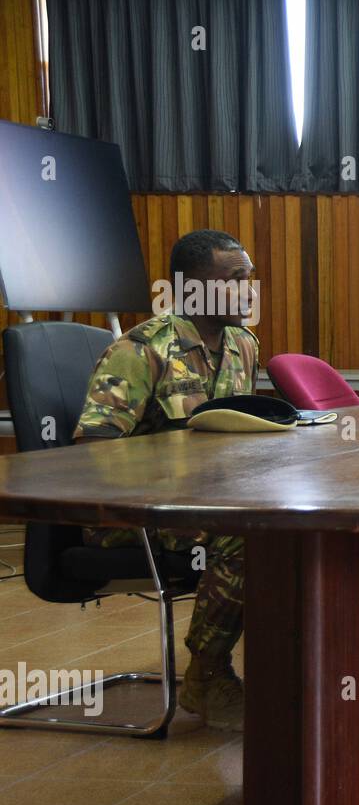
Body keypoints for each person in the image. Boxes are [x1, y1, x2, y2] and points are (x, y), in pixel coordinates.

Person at [74, 229, 259, 731]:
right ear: (194, 287)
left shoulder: (243, 346)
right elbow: (91, 454)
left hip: (210, 505)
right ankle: (208, 673)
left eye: (251, 279)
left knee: (306, 525)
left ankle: (320, 668)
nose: (251, 291)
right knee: (250, 536)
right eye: (238, 280)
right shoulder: (141, 351)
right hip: (131, 514)